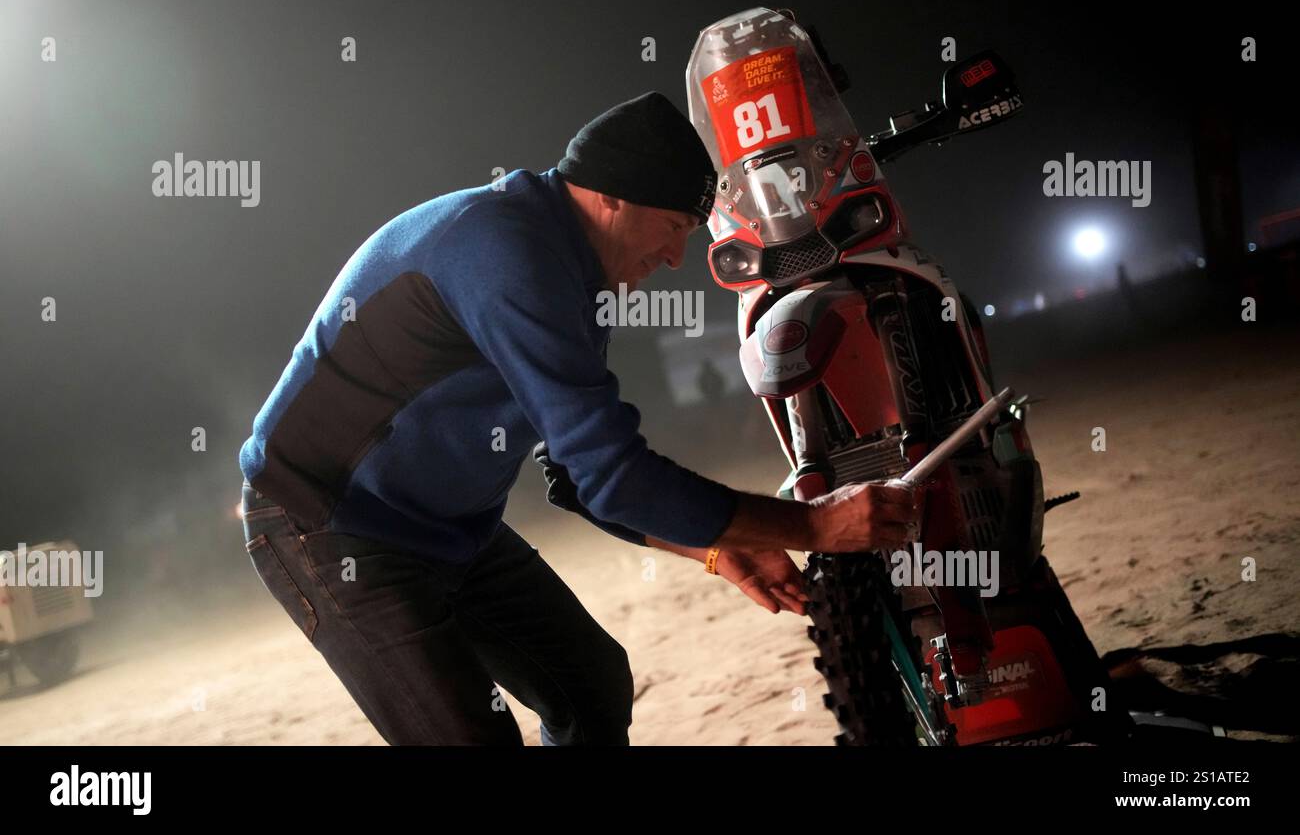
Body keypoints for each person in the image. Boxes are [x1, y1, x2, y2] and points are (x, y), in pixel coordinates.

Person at [237, 90, 920, 745]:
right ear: (611, 198)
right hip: (328, 522)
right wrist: (815, 525)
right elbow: (616, 476)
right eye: (675, 227)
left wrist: (712, 546)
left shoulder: (566, 268)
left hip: (447, 529)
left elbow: (573, 476)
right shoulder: (503, 250)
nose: (675, 256)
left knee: (590, 684)